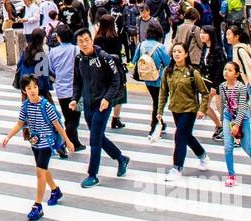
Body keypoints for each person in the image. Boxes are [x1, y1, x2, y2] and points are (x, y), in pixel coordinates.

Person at [3, 75, 77, 221]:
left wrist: (68, 141)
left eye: (35, 87)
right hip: (35, 142)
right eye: (29, 88)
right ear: (24, 91)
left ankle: (37, 206)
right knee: (43, 169)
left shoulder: (45, 105)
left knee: (40, 172)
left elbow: (57, 125)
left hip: (46, 143)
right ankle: (55, 190)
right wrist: (8, 136)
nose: (33, 90)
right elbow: (20, 123)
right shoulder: (25, 106)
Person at [73, 28, 131, 188]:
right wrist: (74, 99)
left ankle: (93, 175)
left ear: (91, 40)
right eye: (80, 41)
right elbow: (77, 81)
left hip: (103, 105)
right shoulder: (79, 59)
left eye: (86, 40)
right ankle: (121, 158)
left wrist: (107, 98)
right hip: (88, 105)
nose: (84, 44)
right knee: (98, 137)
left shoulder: (104, 57)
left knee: (94, 139)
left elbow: (115, 81)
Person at [159, 42, 211, 181]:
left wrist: (202, 109)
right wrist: (159, 111)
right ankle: (203, 156)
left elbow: (205, 92)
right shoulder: (168, 71)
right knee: (186, 136)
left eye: (179, 51)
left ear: (186, 54)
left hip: (190, 109)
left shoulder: (193, 72)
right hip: (175, 109)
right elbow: (163, 92)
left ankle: (177, 168)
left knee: (179, 136)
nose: (176, 54)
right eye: (174, 51)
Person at [214, 61, 251, 187]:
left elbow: (242, 107)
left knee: (246, 146)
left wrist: (237, 125)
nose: (226, 72)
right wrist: (222, 120)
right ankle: (231, 175)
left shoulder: (241, 87)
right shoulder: (222, 86)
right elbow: (223, 104)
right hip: (228, 116)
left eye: (230, 70)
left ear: (236, 74)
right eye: (225, 70)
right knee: (228, 146)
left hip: (243, 118)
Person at [130, 22, 171, 141]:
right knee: (157, 103)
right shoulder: (160, 47)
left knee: (156, 101)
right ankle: (153, 128)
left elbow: (134, 60)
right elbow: (167, 62)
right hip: (159, 78)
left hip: (146, 78)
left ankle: (161, 123)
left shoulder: (141, 45)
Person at [47, 25, 83, 152]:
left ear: (59, 38)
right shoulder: (77, 50)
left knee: (68, 117)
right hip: (75, 89)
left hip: (61, 89)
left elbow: (51, 68)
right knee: (75, 119)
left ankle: (74, 142)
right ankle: (64, 142)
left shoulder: (52, 51)